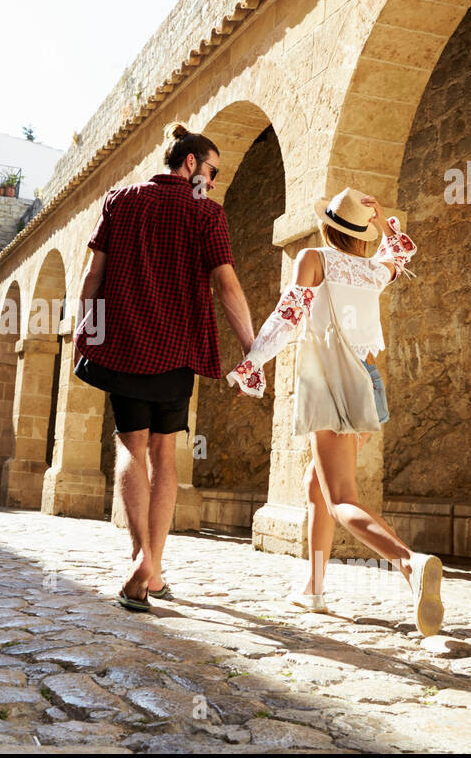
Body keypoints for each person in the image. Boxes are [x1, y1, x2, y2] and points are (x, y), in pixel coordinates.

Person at [226, 188, 444, 637]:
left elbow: (287, 318)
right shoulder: (374, 271)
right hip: (369, 383)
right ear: (360, 234)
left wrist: (252, 363)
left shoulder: (314, 259)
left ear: (326, 226)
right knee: (316, 483)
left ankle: (410, 563)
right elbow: (398, 252)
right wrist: (382, 221)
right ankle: (314, 586)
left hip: (332, 384)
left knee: (342, 496)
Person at [72, 124, 255, 612]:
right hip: (178, 351)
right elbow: (228, 287)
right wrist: (251, 349)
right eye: (212, 171)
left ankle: (142, 558)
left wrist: (82, 331)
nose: (214, 182)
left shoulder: (120, 199)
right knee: (165, 454)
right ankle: (154, 570)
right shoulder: (207, 215)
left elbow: (94, 276)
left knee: (130, 446)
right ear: (190, 164)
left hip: (125, 346)